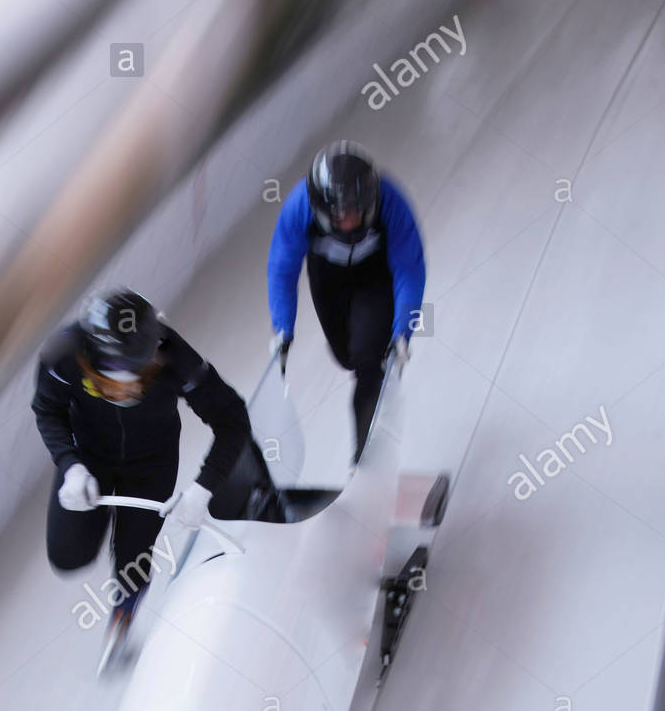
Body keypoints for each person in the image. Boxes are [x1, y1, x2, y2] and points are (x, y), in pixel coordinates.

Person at [32, 288, 251, 654]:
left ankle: (123, 611)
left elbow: (232, 419)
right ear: (92, 361)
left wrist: (203, 488)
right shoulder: (63, 354)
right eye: (121, 376)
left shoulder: (174, 355)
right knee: (68, 555)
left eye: (144, 371)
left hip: (152, 458)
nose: (134, 385)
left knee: (134, 554)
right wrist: (70, 465)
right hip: (89, 459)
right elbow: (47, 409)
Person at [267, 140, 425, 462]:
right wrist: (283, 329)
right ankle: (370, 375)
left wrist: (402, 332)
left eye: (357, 211)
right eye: (341, 216)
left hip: (375, 277)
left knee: (369, 359)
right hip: (329, 280)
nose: (350, 222)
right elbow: (282, 269)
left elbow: (410, 268)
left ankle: (365, 457)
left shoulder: (391, 201)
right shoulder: (299, 208)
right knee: (347, 356)